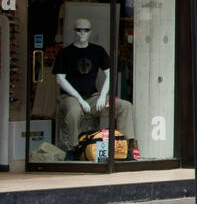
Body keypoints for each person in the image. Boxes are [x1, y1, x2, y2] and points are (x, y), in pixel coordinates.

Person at [54, 18, 136, 154]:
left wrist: (103, 96)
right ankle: (74, 149)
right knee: (74, 112)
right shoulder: (65, 52)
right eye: (79, 30)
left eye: (85, 30)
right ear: (74, 31)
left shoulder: (97, 51)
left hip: (93, 97)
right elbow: (60, 79)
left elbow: (110, 74)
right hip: (71, 97)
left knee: (124, 106)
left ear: (90, 32)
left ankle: (127, 146)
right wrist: (79, 99)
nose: (82, 33)